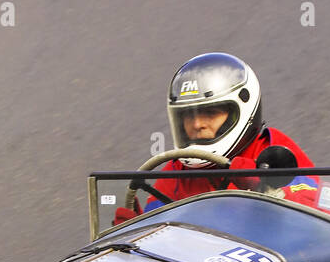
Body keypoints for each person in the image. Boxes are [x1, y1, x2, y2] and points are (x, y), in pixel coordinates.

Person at [114, 53, 319, 224]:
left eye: (209, 113)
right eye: (188, 116)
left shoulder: (273, 152)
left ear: (240, 110)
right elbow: (159, 228)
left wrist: (265, 189)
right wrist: (136, 230)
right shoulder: (177, 171)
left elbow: (322, 211)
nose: (196, 124)